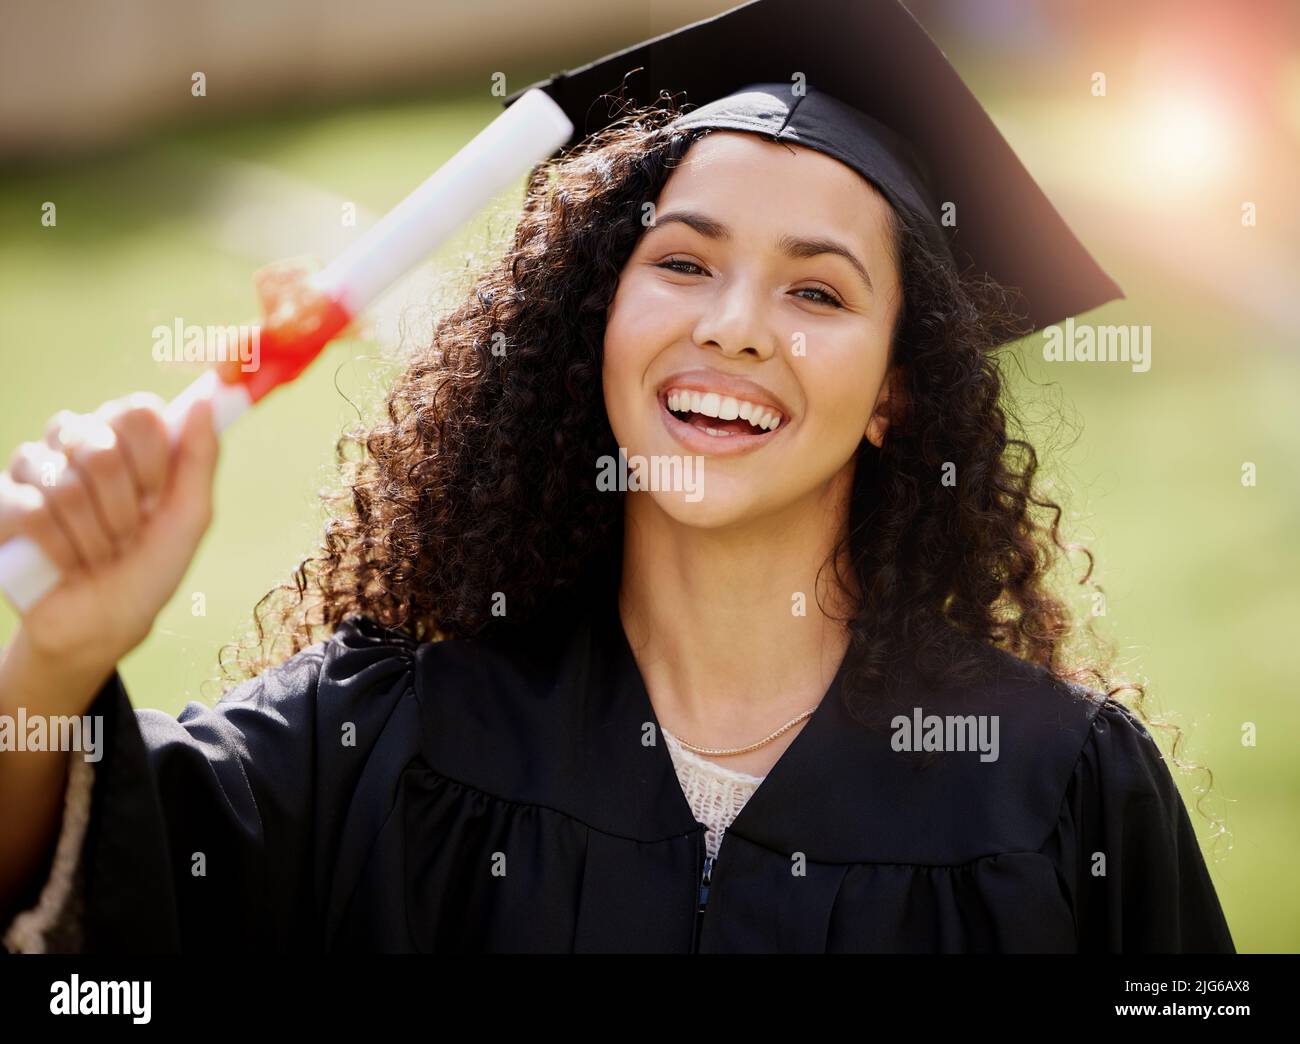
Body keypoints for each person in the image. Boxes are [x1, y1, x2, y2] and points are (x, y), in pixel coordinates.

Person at [0, 0, 1234, 953]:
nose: (735, 327)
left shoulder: (1054, 792)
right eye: (683, 263)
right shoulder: (395, 736)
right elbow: (81, 904)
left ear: (897, 394)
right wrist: (57, 656)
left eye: (817, 290)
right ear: (597, 317)